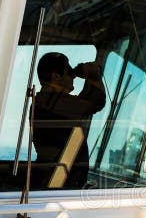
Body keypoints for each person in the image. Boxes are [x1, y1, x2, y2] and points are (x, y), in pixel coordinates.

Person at [32, 52, 106, 189]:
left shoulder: (48, 101)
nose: (73, 76)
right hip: (57, 180)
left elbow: (81, 105)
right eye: (68, 71)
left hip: (56, 176)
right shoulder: (50, 101)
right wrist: (92, 76)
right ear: (55, 76)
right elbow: (95, 102)